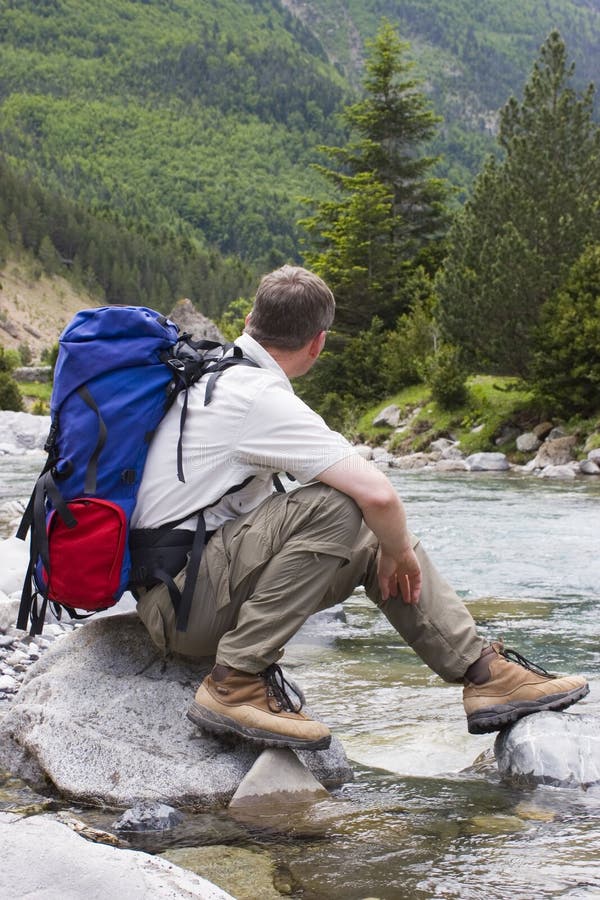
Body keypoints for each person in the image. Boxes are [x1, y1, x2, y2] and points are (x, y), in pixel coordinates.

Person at [131, 265, 589, 751]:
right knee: (345, 505)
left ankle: (483, 672)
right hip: (182, 608)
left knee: (371, 536)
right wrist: (403, 553)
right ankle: (235, 681)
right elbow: (377, 493)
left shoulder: (213, 376)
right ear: (318, 343)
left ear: (249, 320)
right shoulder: (256, 397)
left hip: (177, 596)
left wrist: (388, 547)